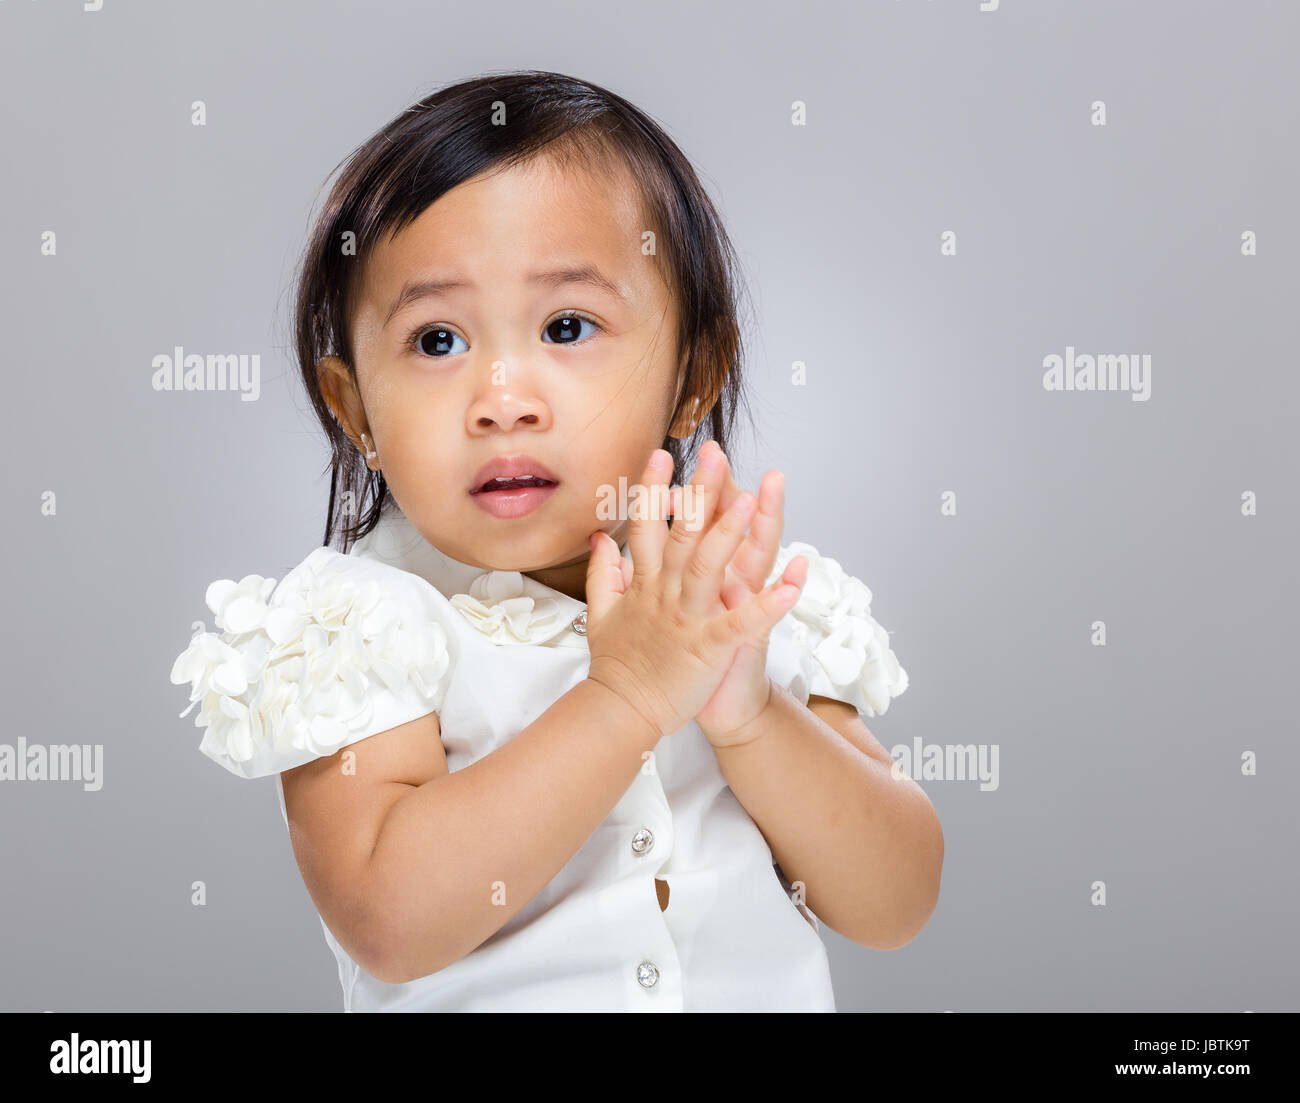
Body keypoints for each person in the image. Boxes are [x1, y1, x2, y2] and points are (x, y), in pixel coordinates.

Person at [169, 69, 938, 1011]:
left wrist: (750, 716)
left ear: (695, 376)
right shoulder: (362, 624)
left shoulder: (735, 590)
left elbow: (896, 900)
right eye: (438, 340)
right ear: (353, 406)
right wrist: (623, 697)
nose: (503, 402)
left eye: (566, 326)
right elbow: (388, 917)